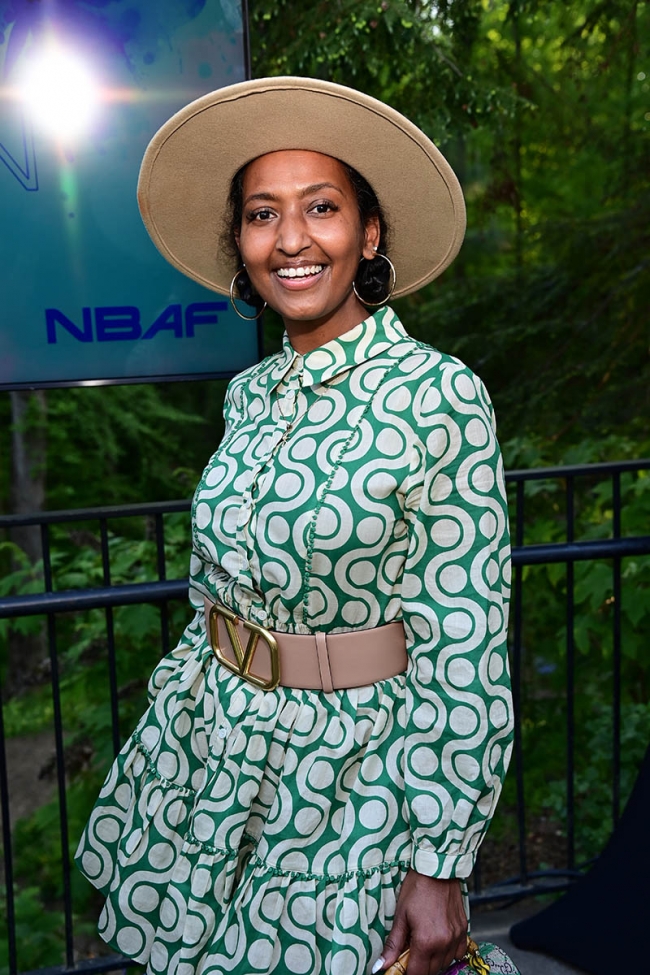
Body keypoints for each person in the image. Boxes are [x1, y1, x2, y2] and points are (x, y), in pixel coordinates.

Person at [75, 77, 513, 975]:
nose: (293, 239)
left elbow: (465, 636)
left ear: (371, 230)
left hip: (354, 772)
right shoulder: (250, 394)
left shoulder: (439, 395)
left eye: (322, 207)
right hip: (215, 749)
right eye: (263, 214)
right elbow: (219, 588)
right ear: (240, 242)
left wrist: (440, 861)